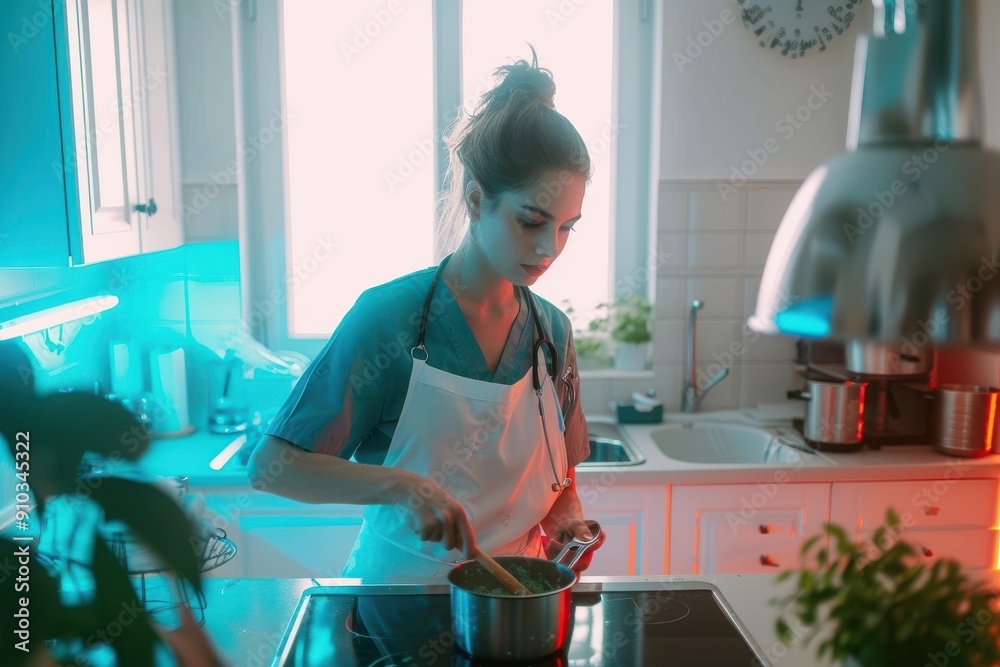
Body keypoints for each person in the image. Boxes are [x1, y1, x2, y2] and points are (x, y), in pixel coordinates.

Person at [248, 50, 598, 581]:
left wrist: (568, 518)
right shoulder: (389, 318)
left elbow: (558, 481)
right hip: (401, 606)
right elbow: (272, 469)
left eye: (568, 227)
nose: (550, 248)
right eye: (532, 221)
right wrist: (400, 486)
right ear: (477, 201)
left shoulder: (552, 332)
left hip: (518, 608)